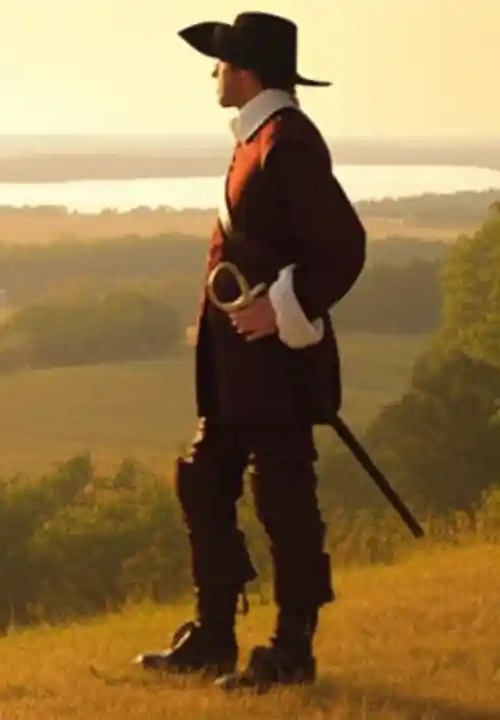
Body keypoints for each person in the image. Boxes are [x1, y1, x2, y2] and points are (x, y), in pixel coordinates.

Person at [132, 12, 367, 691]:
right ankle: (213, 635)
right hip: (237, 366)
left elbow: (342, 248)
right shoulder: (260, 138)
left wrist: (282, 307)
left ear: (244, 71)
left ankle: (292, 649)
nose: (213, 74)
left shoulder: (285, 143)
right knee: (205, 481)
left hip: (274, 364)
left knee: (282, 496)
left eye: (221, 64)